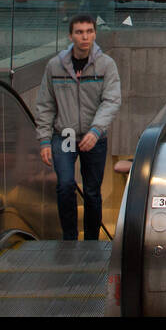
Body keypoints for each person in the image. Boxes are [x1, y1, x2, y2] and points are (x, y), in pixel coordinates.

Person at [35, 14, 122, 241]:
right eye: (80, 32)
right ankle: (70, 239)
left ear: (95, 33)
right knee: (65, 185)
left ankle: (92, 241)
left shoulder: (106, 65)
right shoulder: (55, 66)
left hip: (94, 137)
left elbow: (111, 100)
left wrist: (96, 130)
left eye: (89, 32)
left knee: (92, 192)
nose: (85, 37)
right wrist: (44, 140)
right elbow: (45, 104)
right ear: (71, 35)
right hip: (64, 134)